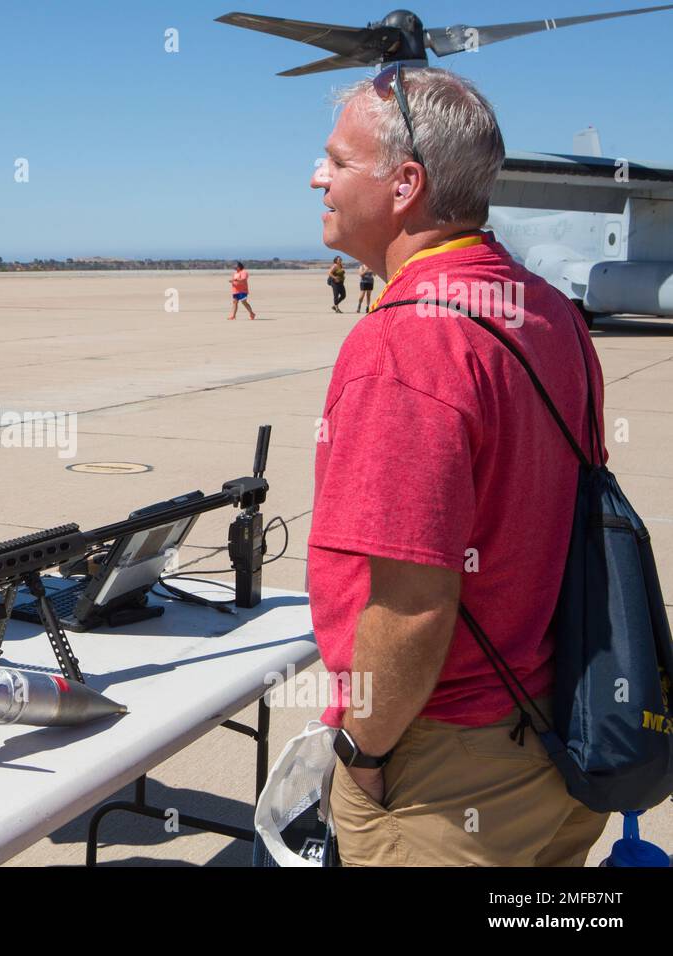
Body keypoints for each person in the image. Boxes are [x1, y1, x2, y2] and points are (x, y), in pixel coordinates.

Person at [307, 65, 608, 866]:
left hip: (444, 768)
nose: (317, 177)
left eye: (337, 161)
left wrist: (363, 756)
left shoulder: (405, 340)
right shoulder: (547, 310)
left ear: (406, 184)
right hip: (555, 741)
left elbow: (411, 606)